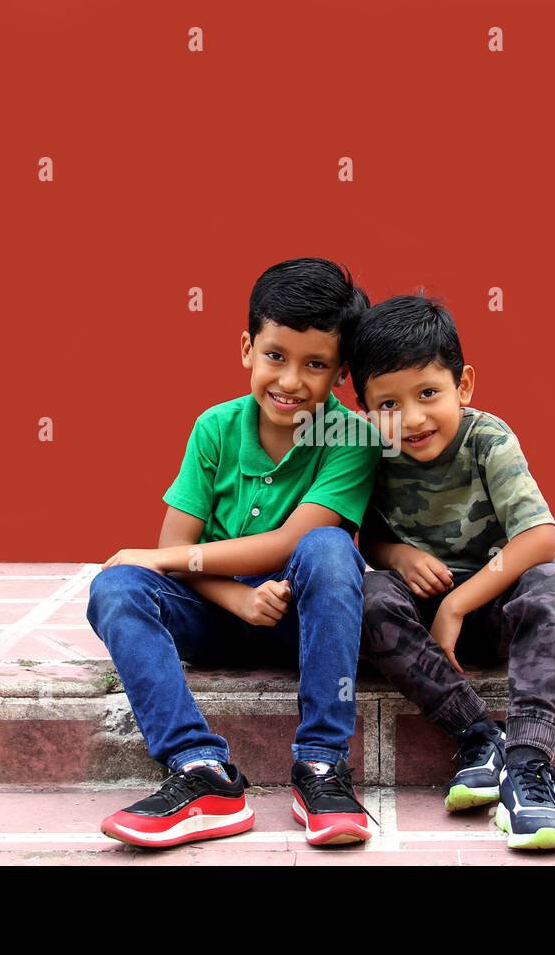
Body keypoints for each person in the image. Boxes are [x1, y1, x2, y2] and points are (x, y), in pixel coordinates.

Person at [85, 258, 382, 847]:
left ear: (341, 373)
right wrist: (237, 600)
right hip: (213, 615)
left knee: (327, 549)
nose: (291, 381)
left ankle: (321, 762)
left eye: (315, 365)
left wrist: (161, 558)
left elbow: (285, 544)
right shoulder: (215, 428)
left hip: (303, 618)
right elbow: (177, 544)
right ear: (247, 347)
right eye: (275, 355)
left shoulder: (353, 436)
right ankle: (201, 772)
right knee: (116, 589)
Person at [352, 293, 555, 850]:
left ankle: (529, 768)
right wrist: (397, 555)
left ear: (465, 385)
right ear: (363, 408)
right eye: (387, 404)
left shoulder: (488, 440)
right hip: (417, 615)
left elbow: (541, 537)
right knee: (365, 597)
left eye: (428, 393)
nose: (410, 419)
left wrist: (457, 604)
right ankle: (479, 734)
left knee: (552, 587)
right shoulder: (370, 454)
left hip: (493, 605)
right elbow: (371, 536)